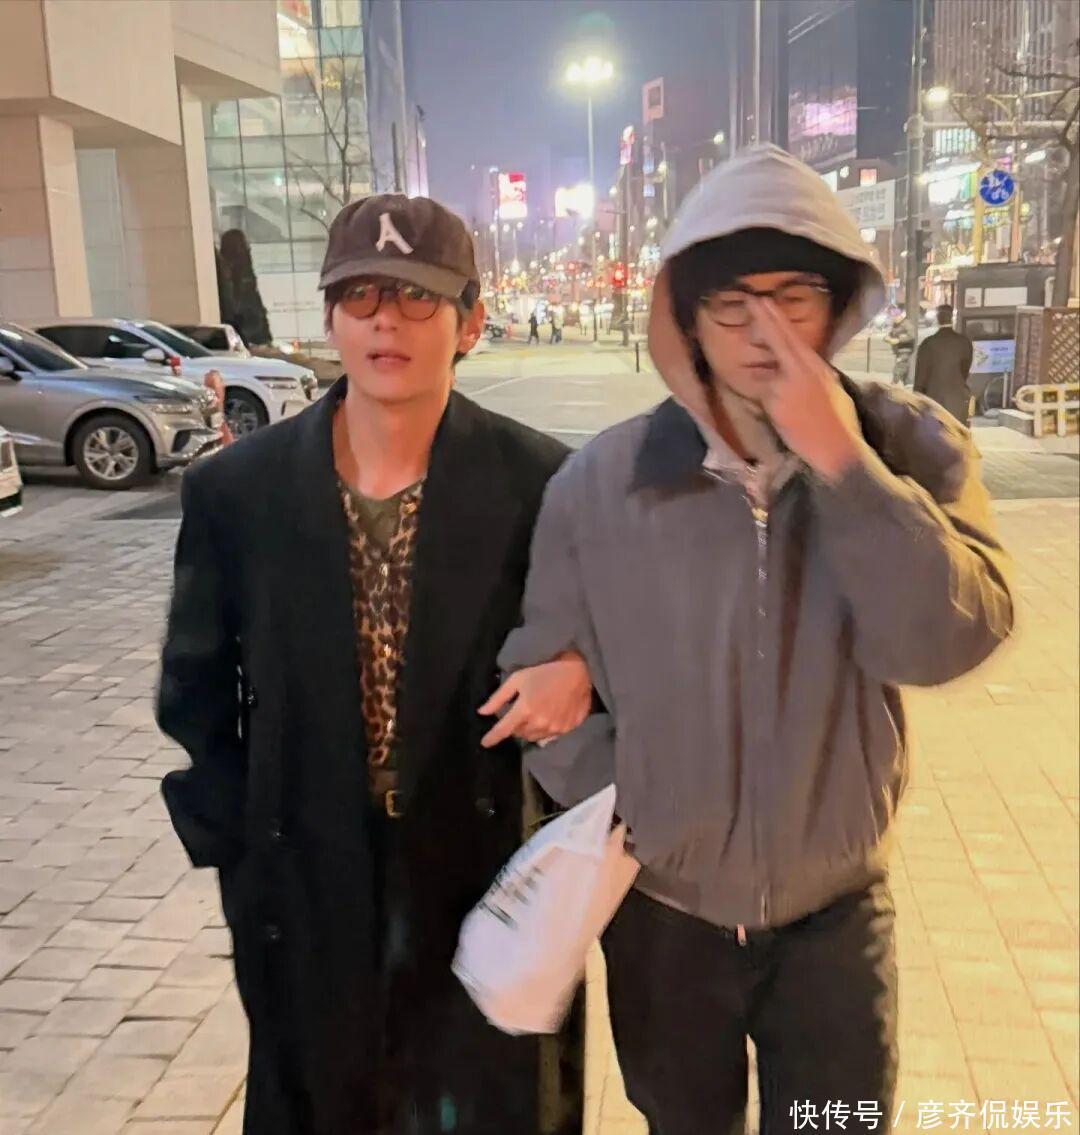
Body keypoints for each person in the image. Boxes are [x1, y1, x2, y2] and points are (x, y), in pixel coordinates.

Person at [493, 146, 1013, 1135]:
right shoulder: (604, 483)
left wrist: (843, 463)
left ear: (841, 304)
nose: (765, 331)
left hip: (835, 913)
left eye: (794, 296)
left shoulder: (909, 449)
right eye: (732, 303)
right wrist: (644, 804)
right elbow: (538, 680)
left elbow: (947, 641)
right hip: (666, 916)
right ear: (686, 315)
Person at [157, 193, 591, 1135]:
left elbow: (606, 651)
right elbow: (194, 689)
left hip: (480, 868)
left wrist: (585, 671)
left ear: (469, 321)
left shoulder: (543, 484)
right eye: (360, 296)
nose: (385, 320)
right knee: (316, 1102)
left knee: (486, 1108)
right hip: (304, 873)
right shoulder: (239, 491)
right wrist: (240, 846)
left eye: (416, 296)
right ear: (331, 320)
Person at [914, 303, 975, 424]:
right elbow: (965, 370)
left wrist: (917, 400)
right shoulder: (964, 342)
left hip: (933, 400)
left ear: (937, 319)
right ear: (951, 318)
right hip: (957, 399)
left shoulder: (928, 344)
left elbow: (921, 377)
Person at [884, 309, 916, 385]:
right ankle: (906, 383)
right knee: (903, 368)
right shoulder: (895, 325)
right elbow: (890, 334)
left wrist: (898, 340)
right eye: (892, 317)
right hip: (898, 350)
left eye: (895, 317)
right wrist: (887, 338)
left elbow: (912, 336)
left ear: (900, 316)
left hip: (905, 349)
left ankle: (894, 384)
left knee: (899, 367)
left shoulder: (906, 324)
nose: (894, 319)